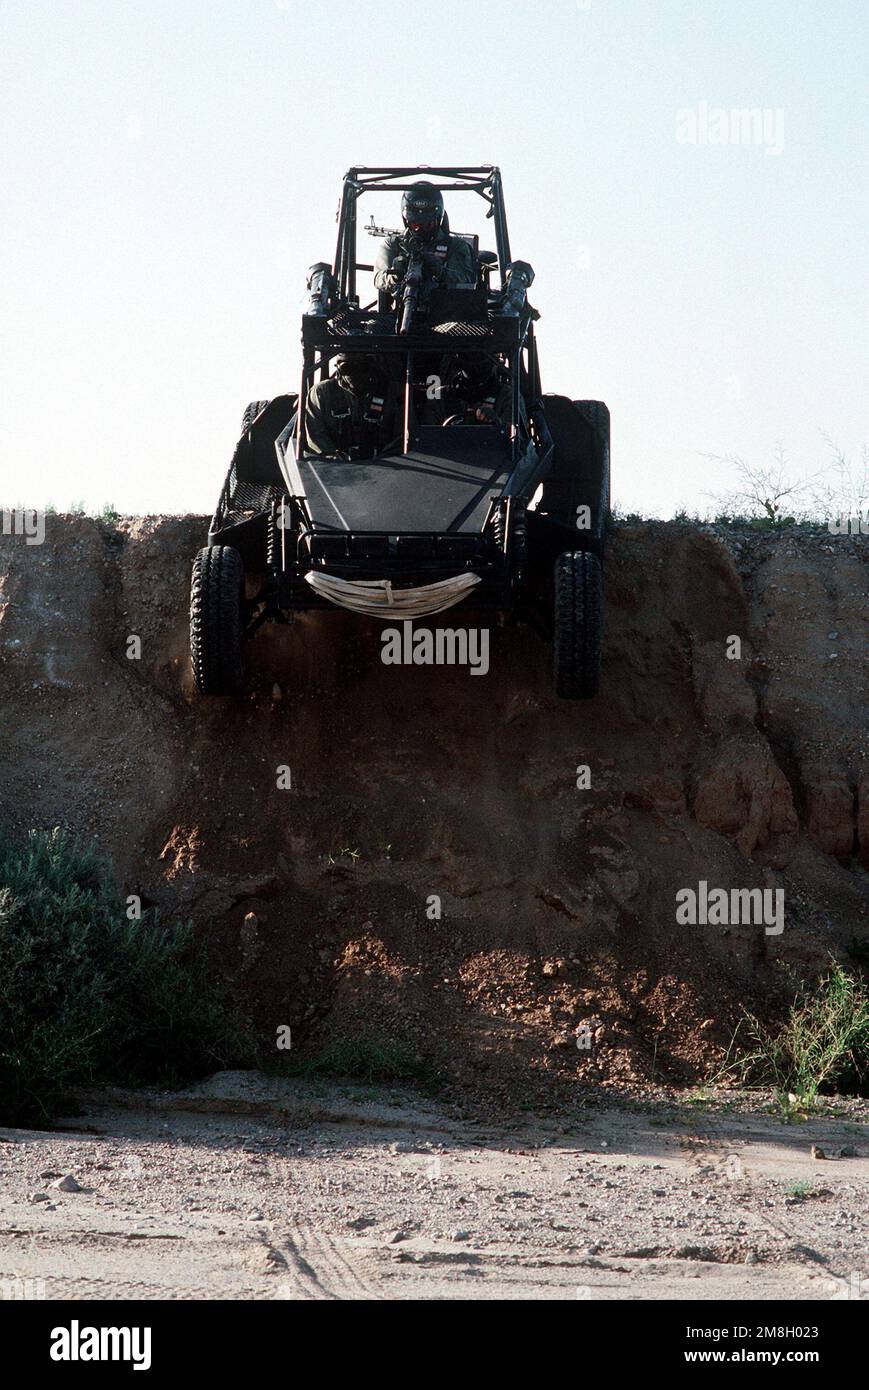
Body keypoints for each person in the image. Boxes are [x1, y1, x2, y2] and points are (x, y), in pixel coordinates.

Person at [373, 182, 477, 302]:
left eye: (428, 225)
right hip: (397, 313)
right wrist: (395, 275)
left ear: (438, 220)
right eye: (416, 225)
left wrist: (441, 272)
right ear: (407, 221)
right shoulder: (392, 244)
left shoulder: (456, 246)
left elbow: (465, 279)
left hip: (447, 311)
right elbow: (378, 278)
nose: (421, 229)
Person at [304, 354, 399, 457]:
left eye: (362, 367)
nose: (355, 374)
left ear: (370, 368)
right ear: (338, 368)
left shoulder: (387, 393)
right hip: (333, 466)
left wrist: (384, 457)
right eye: (347, 368)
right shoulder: (321, 392)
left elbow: (401, 435)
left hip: (384, 465)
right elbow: (316, 435)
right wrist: (334, 458)